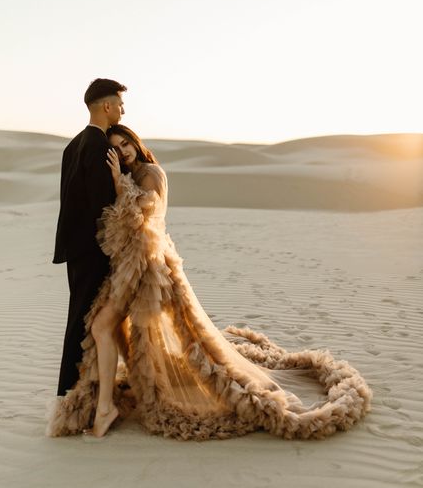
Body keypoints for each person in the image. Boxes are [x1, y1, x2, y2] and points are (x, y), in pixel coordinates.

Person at [47, 125, 372, 441]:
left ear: (135, 141)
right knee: (117, 331)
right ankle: (112, 400)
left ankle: (105, 409)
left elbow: (144, 217)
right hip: (129, 265)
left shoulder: (151, 173)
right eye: (116, 148)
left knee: (105, 326)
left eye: (126, 143)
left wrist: (118, 182)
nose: (123, 150)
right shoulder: (132, 175)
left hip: (146, 266)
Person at [52, 78, 127, 397]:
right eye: (120, 104)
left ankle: (81, 389)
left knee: (82, 317)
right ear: (107, 106)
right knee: (85, 321)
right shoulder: (100, 146)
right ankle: (70, 394)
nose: (123, 110)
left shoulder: (74, 144)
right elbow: (103, 207)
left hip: (75, 247)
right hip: (94, 249)